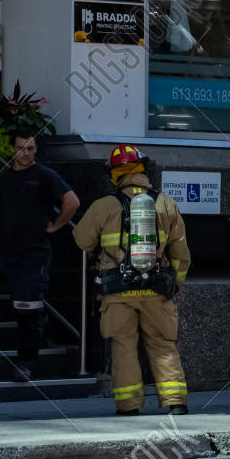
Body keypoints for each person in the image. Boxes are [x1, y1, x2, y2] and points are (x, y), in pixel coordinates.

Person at [73, 145, 192, 415]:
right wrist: (178, 281)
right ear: (141, 169)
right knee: (163, 345)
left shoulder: (104, 206)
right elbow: (181, 252)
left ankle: (128, 406)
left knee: (124, 346)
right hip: (158, 289)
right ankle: (176, 402)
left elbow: (81, 239)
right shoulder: (166, 204)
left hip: (117, 291)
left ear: (114, 174)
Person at [0, 129, 79, 383]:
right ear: (12, 149)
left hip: (32, 258)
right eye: (21, 148)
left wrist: (55, 226)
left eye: (30, 149)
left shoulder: (46, 176)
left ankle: (25, 364)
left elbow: (72, 201)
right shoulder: (2, 180)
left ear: (36, 150)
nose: (25, 154)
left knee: (28, 311)